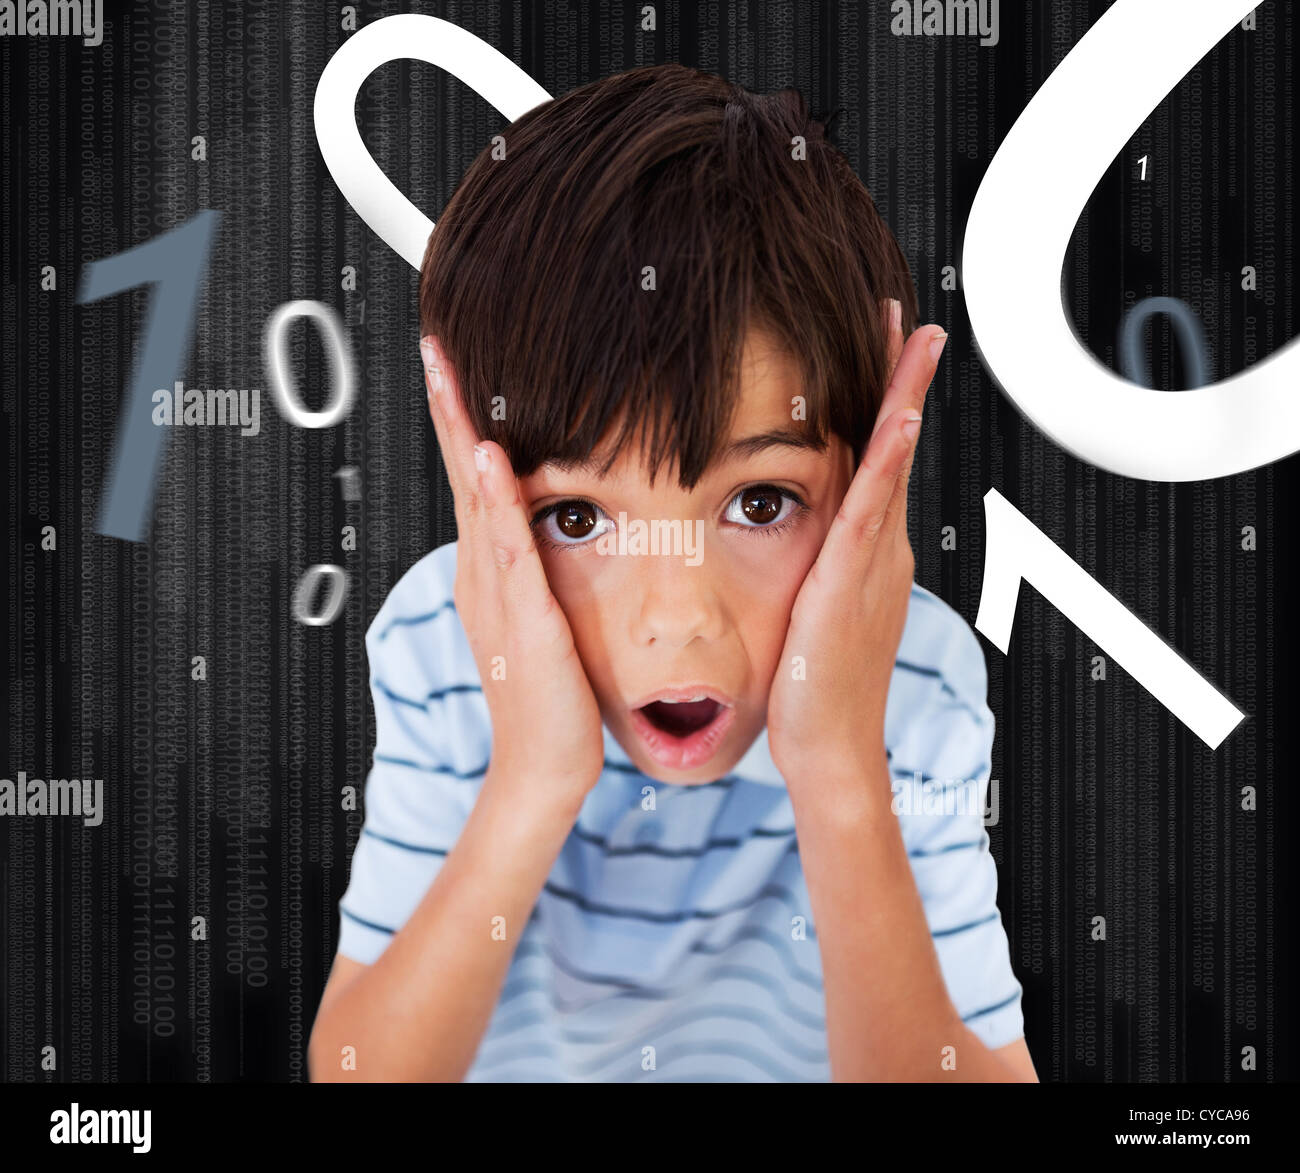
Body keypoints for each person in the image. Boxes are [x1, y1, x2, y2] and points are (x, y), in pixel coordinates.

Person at [308, 63, 1036, 1082]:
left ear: (869, 471)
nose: (679, 621)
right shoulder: (445, 639)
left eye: (758, 504)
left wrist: (836, 772)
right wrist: (532, 779)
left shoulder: (911, 675)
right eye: (576, 515)